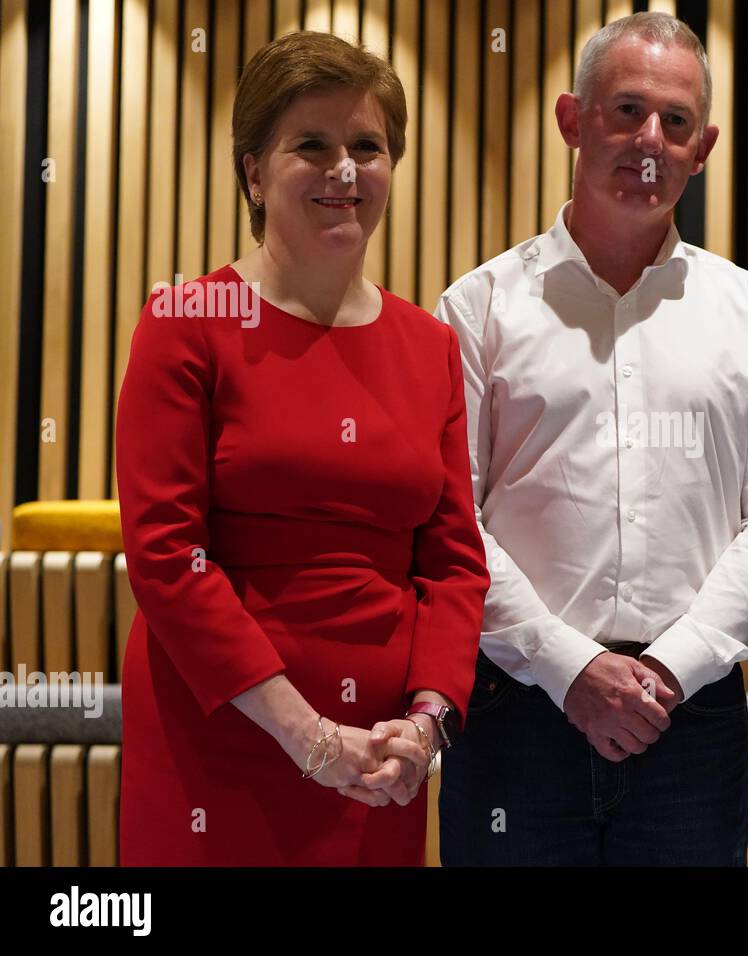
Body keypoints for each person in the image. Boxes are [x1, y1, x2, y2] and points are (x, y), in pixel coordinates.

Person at [434, 12, 748, 866]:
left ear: (704, 146)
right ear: (574, 120)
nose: (650, 140)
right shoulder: (479, 307)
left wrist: (671, 670)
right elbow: (450, 517)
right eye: (626, 111)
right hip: (514, 711)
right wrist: (569, 668)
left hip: (690, 719)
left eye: (675, 122)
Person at [115, 31, 489, 865]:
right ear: (253, 172)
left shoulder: (428, 345)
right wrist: (307, 735)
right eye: (311, 146)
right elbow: (168, 556)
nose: (346, 171)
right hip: (224, 740)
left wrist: (425, 725)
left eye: (368, 147)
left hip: (382, 757)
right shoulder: (184, 324)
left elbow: (456, 562)